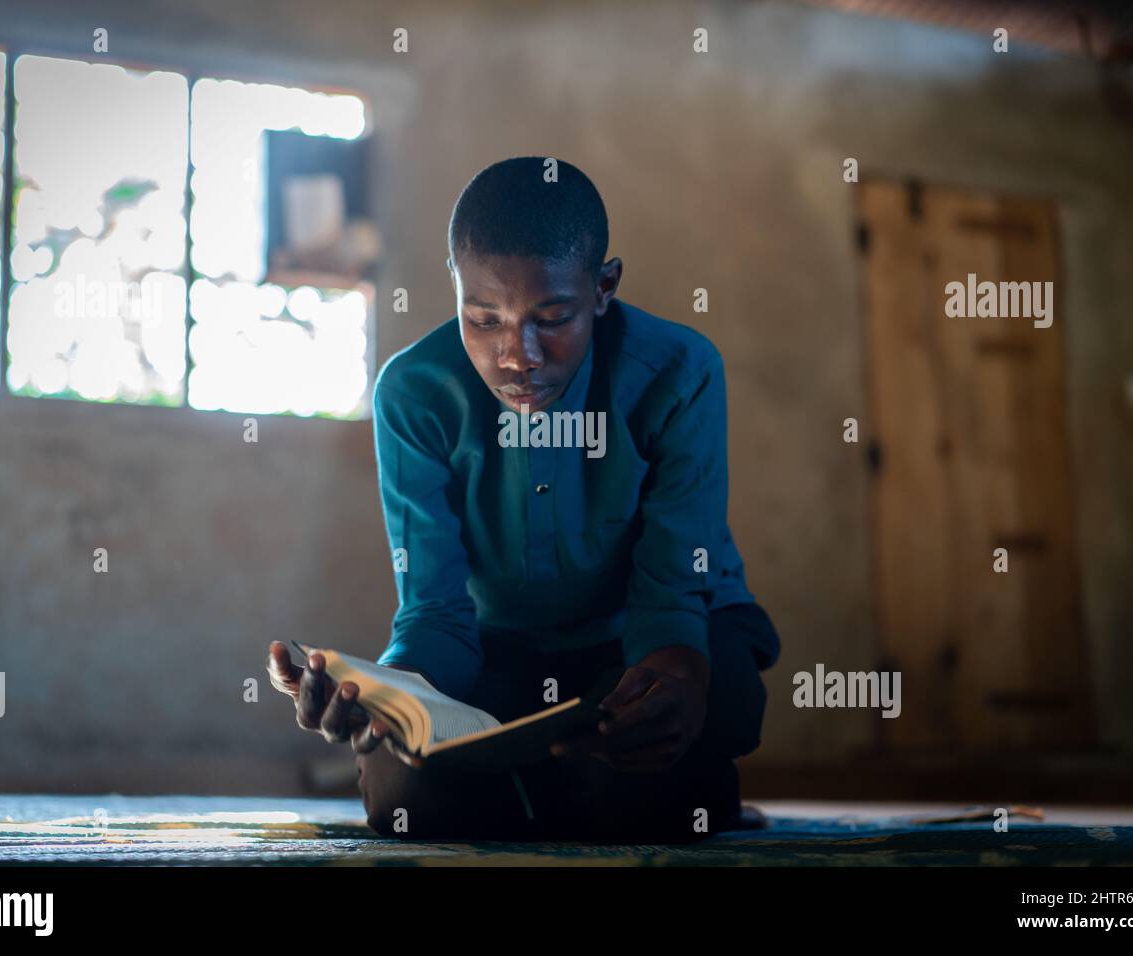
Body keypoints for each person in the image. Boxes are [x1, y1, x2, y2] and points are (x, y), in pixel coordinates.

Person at [268, 156, 779, 843]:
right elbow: (437, 614)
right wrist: (385, 698)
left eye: (553, 317)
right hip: (500, 651)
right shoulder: (414, 393)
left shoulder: (679, 372)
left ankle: (665, 779)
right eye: (483, 319)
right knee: (406, 803)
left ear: (603, 287)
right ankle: (570, 780)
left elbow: (671, 599)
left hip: (644, 640)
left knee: (675, 741)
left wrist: (673, 681)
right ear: (456, 289)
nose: (518, 354)